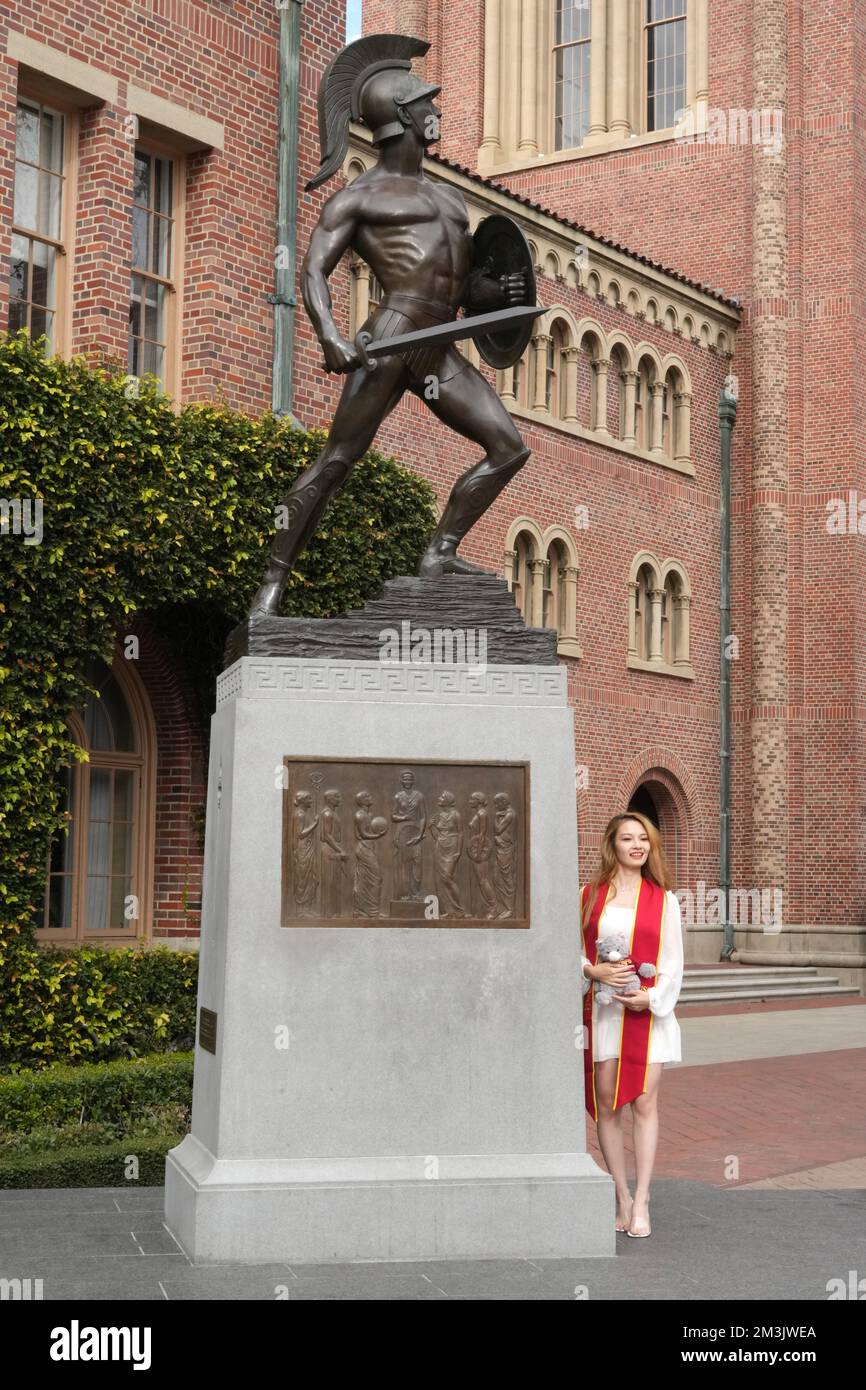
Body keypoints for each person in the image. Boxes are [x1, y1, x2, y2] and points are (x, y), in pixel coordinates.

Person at [579, 811, 684, 1239]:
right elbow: (570, 950)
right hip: (604, 1014)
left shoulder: (665, 901)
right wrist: (592, 970)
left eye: (644, 838)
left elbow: (673, 962)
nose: (637, 845)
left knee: (643, 1102)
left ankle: (642, 1201)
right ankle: (620, 1195)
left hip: (647, 1015)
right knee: (607, 1104)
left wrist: (652, 998)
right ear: (613, 845)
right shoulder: (588, 897)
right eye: (627, 838)